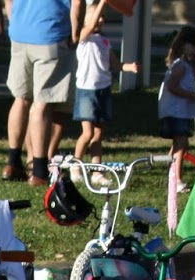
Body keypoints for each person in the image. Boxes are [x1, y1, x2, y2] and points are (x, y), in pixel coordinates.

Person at [2, 0, 83, 187]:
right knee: (42, 104)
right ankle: (39, 170)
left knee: (21, 99)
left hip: (20, 33)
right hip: (51, 33)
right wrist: (76, 33)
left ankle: (13, 163)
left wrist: (14, 22)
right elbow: (78, 4)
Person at [71, 0, 122, 163]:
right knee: (88, 133)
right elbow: (91, 26)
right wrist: (103, 3)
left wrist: (130, 67)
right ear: (85, 20)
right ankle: (76, 164)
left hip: (103, 90)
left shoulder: (104, 41)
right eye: (97, 16)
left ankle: (96, 170)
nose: (100, 19)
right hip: (87, 91)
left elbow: (115, 64)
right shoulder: (83, 37)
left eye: (103, 16)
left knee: (98, 134)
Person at [157, 25, 195, 172]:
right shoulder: (180, 66)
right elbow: (172, 87)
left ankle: (172, 174)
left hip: (180, 112)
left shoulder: (187, 65)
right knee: (181, 144)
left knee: (180, 143)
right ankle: (176, 178)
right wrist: (192, 95)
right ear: (184, 45)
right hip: (175, 112)